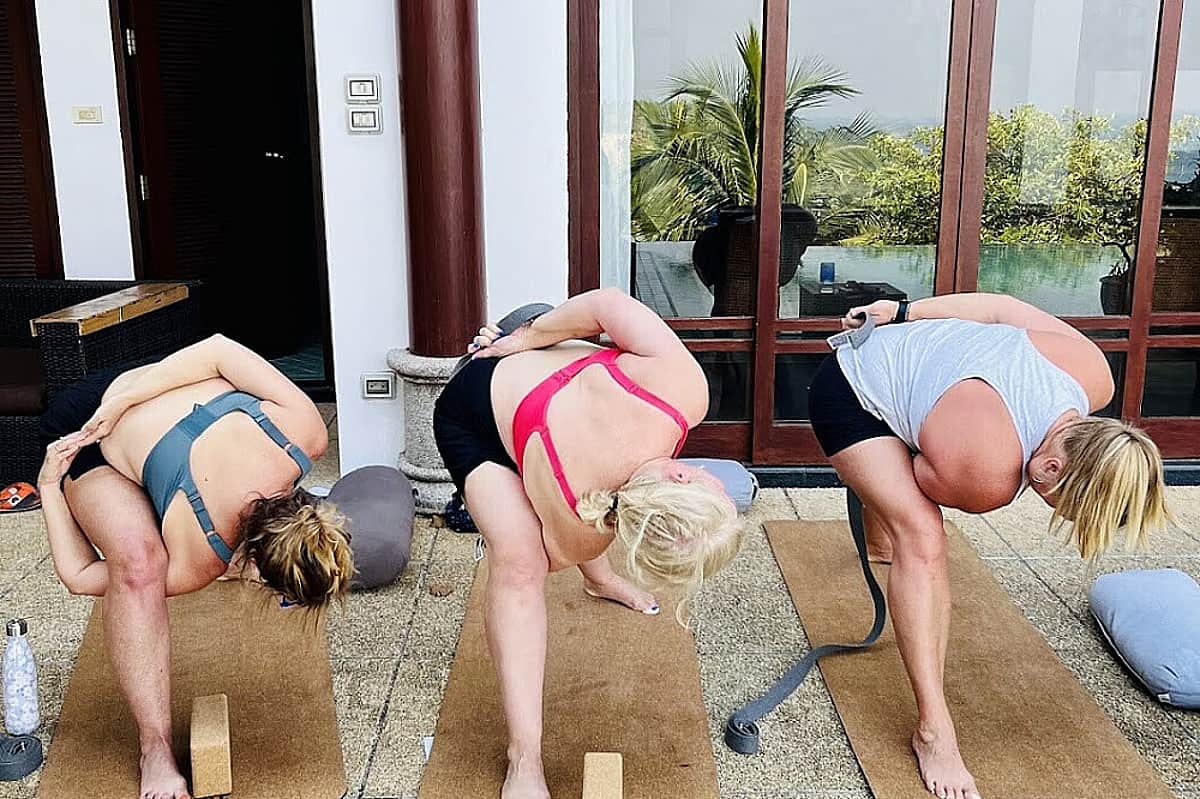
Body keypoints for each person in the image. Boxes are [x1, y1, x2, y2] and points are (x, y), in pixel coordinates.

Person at [806, 292, 1168, 799]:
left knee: (905, 498)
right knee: (923, 538)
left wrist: (904, 311)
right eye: (1067, 507)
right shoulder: (987, 476)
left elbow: (999, 307)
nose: (1060, 514)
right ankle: (933, 729)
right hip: (851, 385)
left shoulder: (1093, 371)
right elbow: (917, 472)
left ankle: (881, 530)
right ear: (1050, 469)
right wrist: (940, 405)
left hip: (916, 359)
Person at [433, 288, 747, 799]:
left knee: (534, 552)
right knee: (520, 567)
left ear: (687, 479)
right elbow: (603, 303)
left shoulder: (682, 393)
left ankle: (600, 583)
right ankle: (524, 758)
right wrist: (522, 340)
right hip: (471, 416)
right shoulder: (585, 521)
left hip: (541, 417)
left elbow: (608, 302)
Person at [37, 334, 353, 799]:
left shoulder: (303, 432)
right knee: (141, 566)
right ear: (260, 572)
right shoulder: (199, 558)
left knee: (145, 560)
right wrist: (50, 479)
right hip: (88, 429)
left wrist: (52, 482)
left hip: (138, 405)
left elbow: (225, 348)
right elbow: (217, 350)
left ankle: (149, 478)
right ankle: (155, 748)